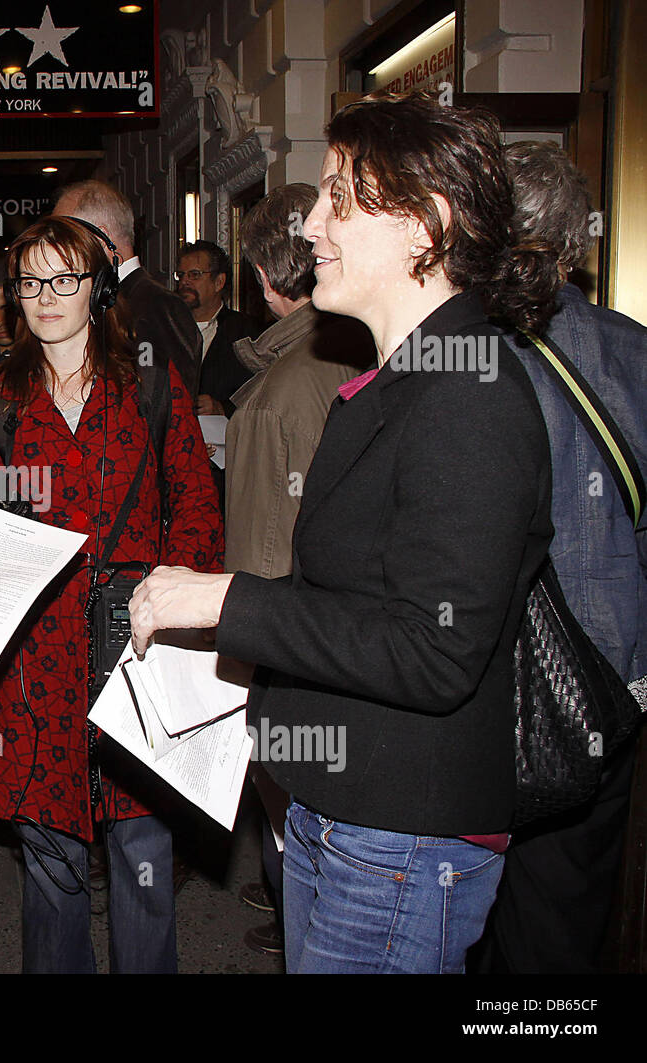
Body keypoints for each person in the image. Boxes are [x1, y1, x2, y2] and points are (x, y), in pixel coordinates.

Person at [128, 92, 558, 974]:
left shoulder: (466, 395)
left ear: (423, 225)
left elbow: (433, 651)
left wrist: (227, 599)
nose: (314, 223)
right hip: (349, 810)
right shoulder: (401, 378)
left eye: (339, 197)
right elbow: (354, 597)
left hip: (401, 832)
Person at [0, 216, 223, 973]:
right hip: (34, 663)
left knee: (143, 850)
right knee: (51, 864)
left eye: (66, 278)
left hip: (136, 646)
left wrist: (173, 594)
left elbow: (196, 499)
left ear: (97, 287)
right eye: (31, 281)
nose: (47, 297)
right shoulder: (0, 399)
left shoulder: (147, 380)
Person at [478, 140, 647, 974]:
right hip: (610, 686)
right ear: (579, 246)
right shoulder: (636, 349)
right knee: (566, 918)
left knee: (472, 914)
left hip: (489, 686)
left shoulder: (457, 352)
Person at [221, 184, 374, 955]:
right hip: (348, 635)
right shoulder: (363, 350)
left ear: (261, 277)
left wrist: (244, 662)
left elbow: (257, 553)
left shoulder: (276, 396)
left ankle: (299, 927)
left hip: (296, 636)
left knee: (294, 817)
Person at [52, 179, 203, 397]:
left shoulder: (158, 306)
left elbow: (169, 403)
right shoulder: (105, 299)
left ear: (101, 239)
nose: (55, 250)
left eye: (66, 238)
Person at [178, 240, 257, 416]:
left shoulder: (245, 333)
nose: (184, 282)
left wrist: (222, 408)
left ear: (219, 282)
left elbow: (260, 393)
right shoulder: (166, 329)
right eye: (181, 275)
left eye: (195, 275)